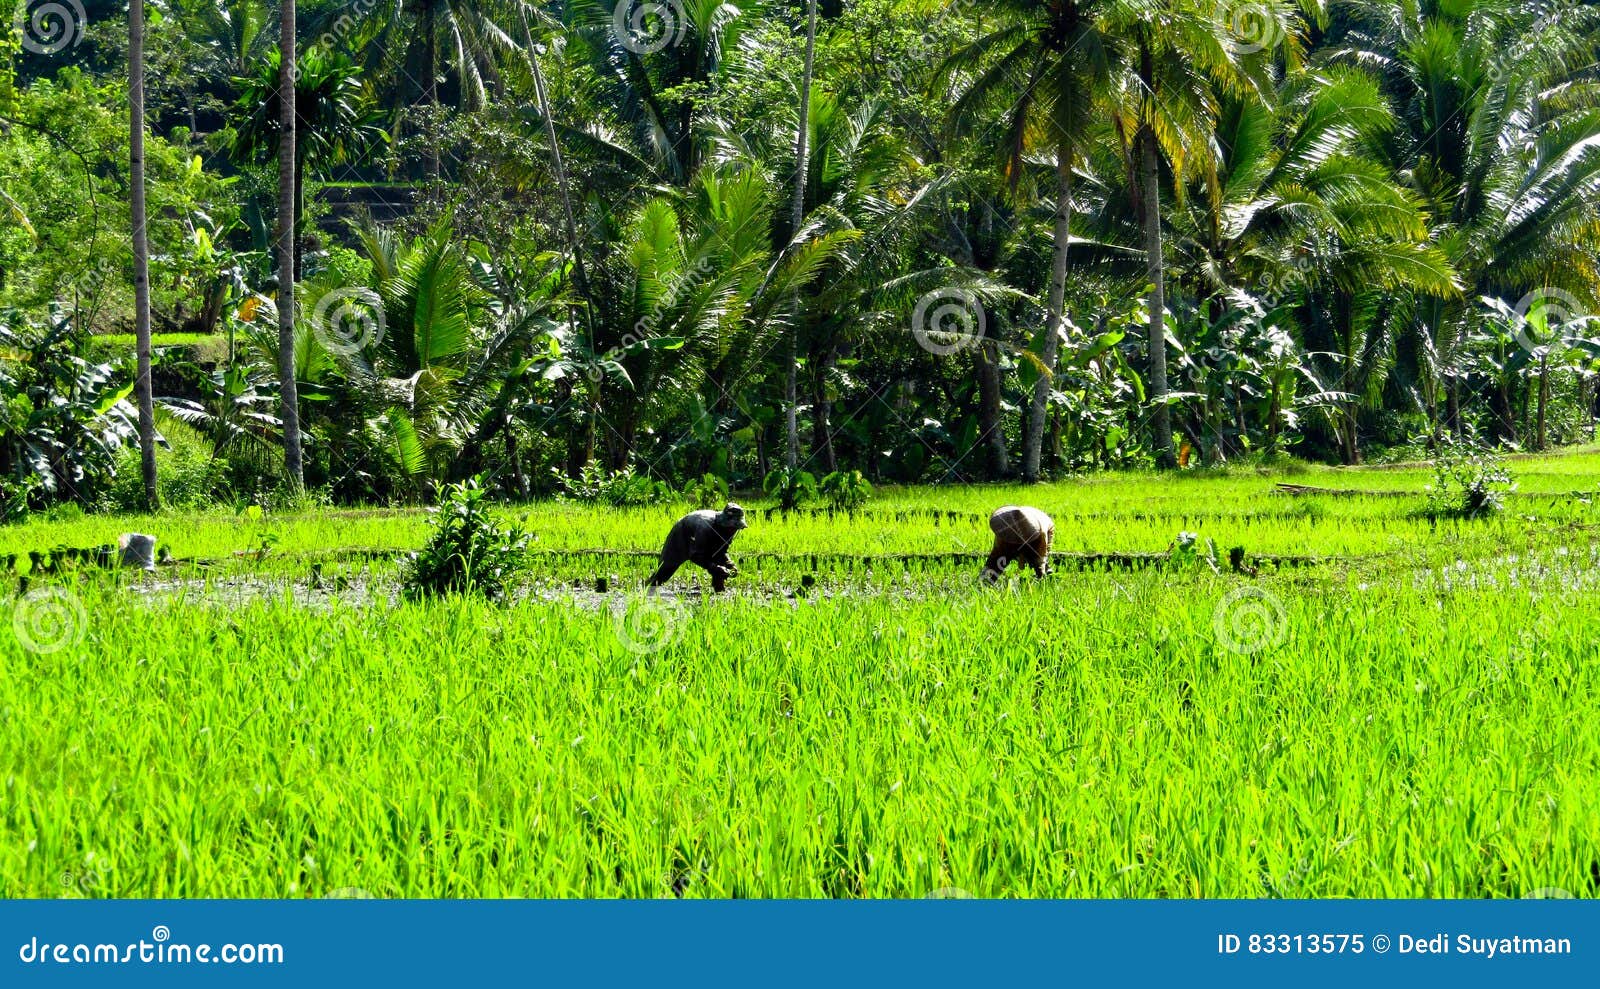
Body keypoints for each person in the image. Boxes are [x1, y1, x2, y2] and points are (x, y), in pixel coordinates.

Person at [646, 503, 749, 591]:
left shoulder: (728, 530)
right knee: (665, 570)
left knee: (719, 564)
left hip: (700, 536)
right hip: (682, 533)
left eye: (737, 527)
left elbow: (721, 551)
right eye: (733, 527)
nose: (734, 530)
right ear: (726, 523)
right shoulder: (705, 527)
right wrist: (714, 568)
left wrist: (729, 564)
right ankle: (647, 590)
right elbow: (695, 555)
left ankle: (719, 591)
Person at [983, 505, 1053, 580]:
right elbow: (997, 552)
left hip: (1041, 528)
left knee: (1035, 558)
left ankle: (1044, 576)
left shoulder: (1041, 533)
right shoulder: (1004, 528)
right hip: (1017, 526)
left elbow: (1042, 553)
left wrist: (1040, 568)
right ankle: (986, 581)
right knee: (999, 557)